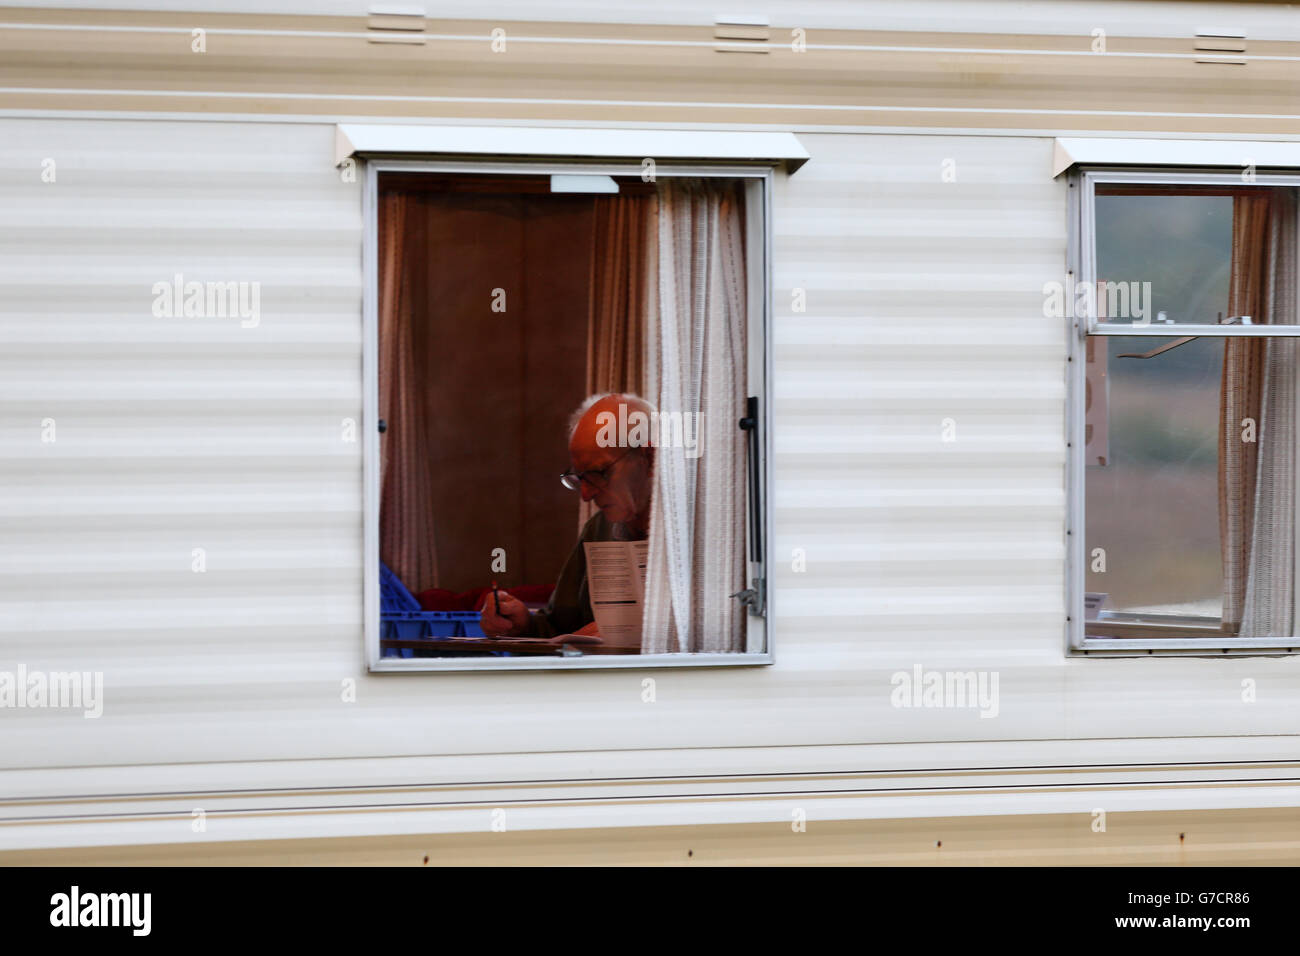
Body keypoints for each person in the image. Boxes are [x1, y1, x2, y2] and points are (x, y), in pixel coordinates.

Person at [479, 393, 655, 642]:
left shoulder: (700, 527)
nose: (585, 494)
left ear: (650, 458)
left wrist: (633, 631)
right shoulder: (599, 529)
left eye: (598, 473)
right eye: (580, 477)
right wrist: (524, 624)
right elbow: (561, 628)